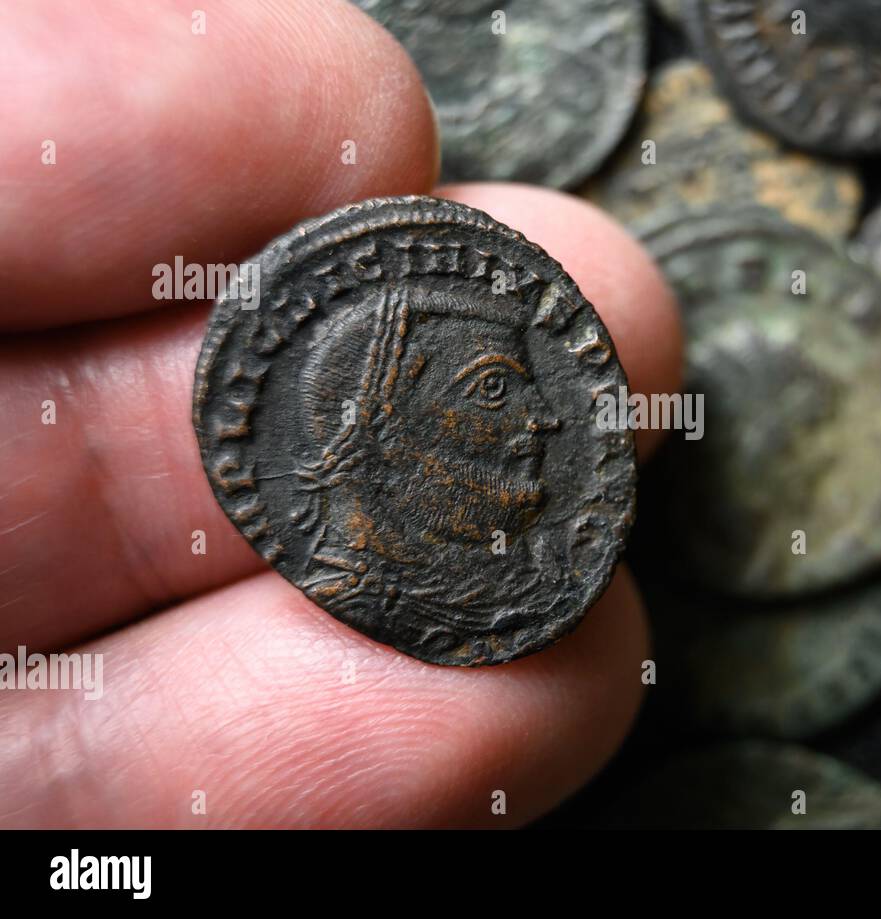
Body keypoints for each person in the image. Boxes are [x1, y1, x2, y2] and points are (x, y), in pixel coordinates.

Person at [0, 0, 681, 828]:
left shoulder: (524, 581)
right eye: (496, 389)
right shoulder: (393, 590)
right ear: (383, 424)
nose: (546, 419)